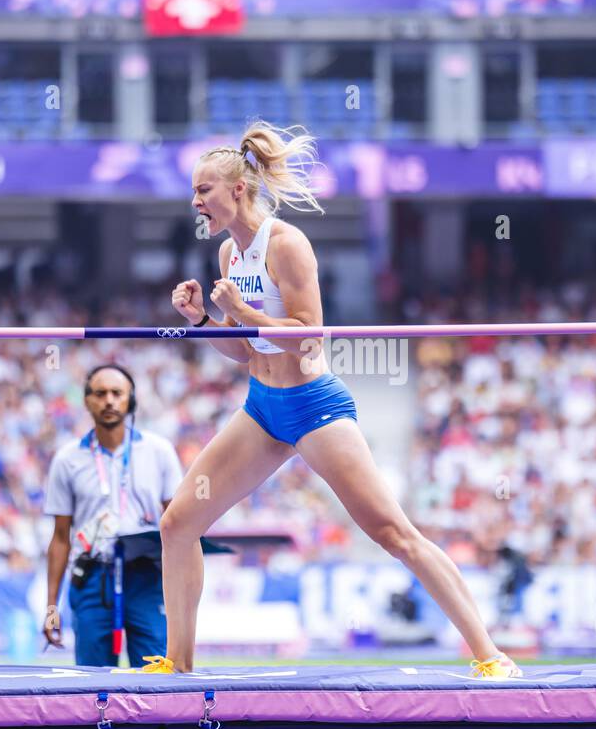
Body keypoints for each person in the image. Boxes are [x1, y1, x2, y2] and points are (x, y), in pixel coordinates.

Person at [146, 120, 522, 679]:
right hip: (262, 408)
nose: (195, 201)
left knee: (394, 534)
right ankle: (178, 664)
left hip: (313, 407)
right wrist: (201, 319)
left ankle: (490, 656)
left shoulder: (287, 244)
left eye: (203, 190)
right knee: (178, 522)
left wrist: (244, 314)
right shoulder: (228, 256)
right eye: (194, 192)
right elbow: (247, 354)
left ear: (238, 191)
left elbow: (310, 334)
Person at [41, 364, 182, 666]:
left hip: (146, 575)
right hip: (92, 574)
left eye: (117, 393)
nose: (108, 401)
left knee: (156, 672)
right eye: (100, 393)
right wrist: (52, 605)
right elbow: (60, 538)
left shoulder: (159, 451)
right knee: (92, 681)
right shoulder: (67, 460)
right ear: (87, 401)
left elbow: (177, 525)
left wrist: (181, 589)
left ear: (130, 400)